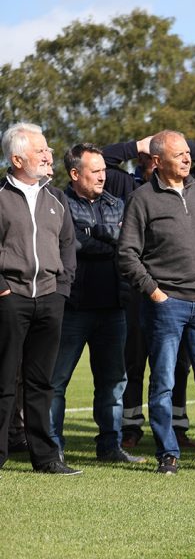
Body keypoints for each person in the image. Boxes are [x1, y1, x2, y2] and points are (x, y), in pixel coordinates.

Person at [117, 129, 195, 474]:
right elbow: (127, 254)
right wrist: (155, 293)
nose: (188, 159)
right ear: (157, 161)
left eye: (188, 152)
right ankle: (168, 454)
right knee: (163, 383)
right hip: (166, 305)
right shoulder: (142, 198)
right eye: (179, 154)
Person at [48, 143, 144, 464]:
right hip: (72, 308)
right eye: (96, 171)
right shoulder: (57, 203)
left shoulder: (118, 204)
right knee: (56, 382)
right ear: (75, 174)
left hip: (114, 308)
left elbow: (129, 245)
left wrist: (97, 235)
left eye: (104, 170)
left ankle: (110, 448)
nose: (103, 176)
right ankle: (53, 449)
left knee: (114, 384)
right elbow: (73, 244)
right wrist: (107, 239)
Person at [0, 123, 81, 475]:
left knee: (41, 383)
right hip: (10, 299)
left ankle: (46, 458)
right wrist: (3, 288)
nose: (49, 155)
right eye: (41, 150)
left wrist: (61, 289)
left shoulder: (56, 198)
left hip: (50, 299)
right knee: (4, 382)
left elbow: (68, 246)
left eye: (47, 149)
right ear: (17, 159)